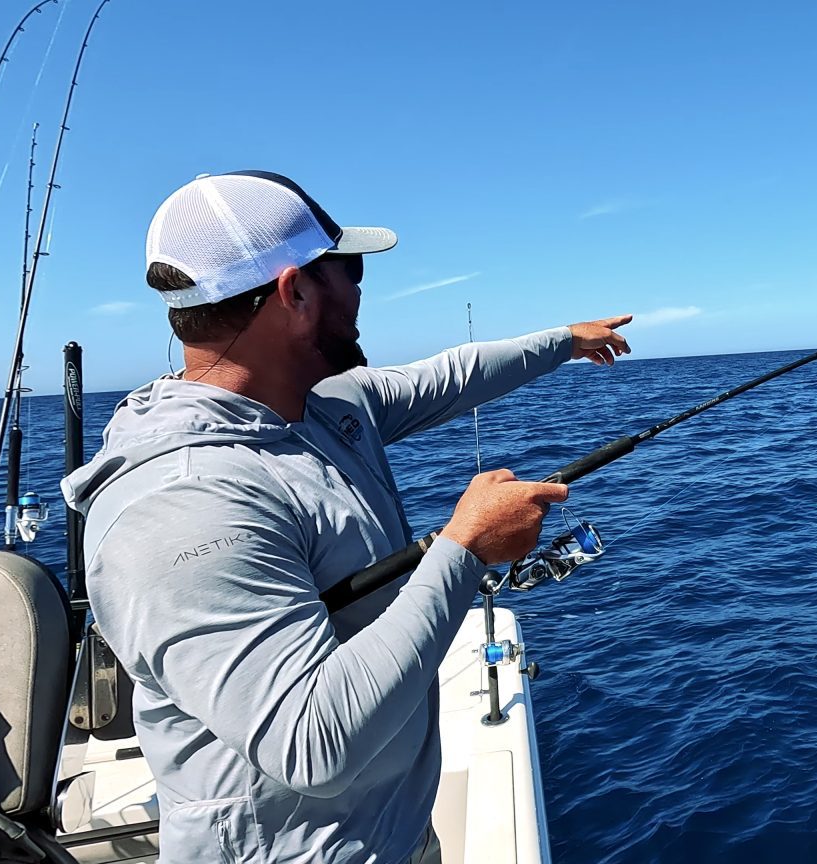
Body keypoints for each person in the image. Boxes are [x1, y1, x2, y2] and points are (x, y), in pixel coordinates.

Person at [61, 170, 631, 863]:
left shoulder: (318, 407)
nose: (360, 292)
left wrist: (565, 341)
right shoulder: (179, 505)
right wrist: (466, 551)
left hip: (393, 837)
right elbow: (311, 742)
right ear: (294, 292)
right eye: (347, 271)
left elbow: (446, 378)